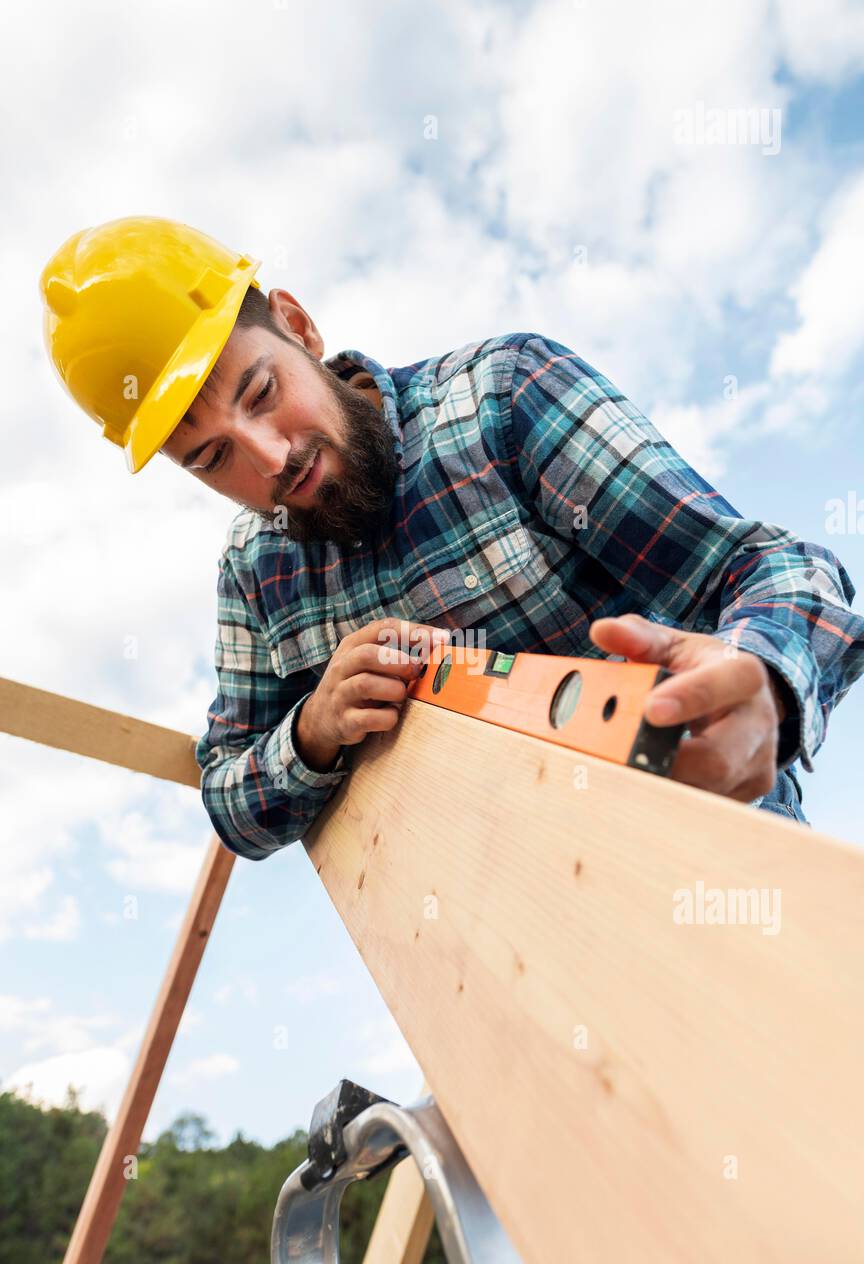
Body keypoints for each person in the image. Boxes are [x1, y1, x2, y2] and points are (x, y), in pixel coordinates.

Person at [40, 216, 864, 860]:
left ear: (297, 325)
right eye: (213, 458)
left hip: (704, 862)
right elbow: (228, 794)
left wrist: (764, 676)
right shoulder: (254, 572)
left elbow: (772, 569)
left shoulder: (503, 399)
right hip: (503, 947)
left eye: (262, 392)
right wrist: (312, 732)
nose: (273, 461)